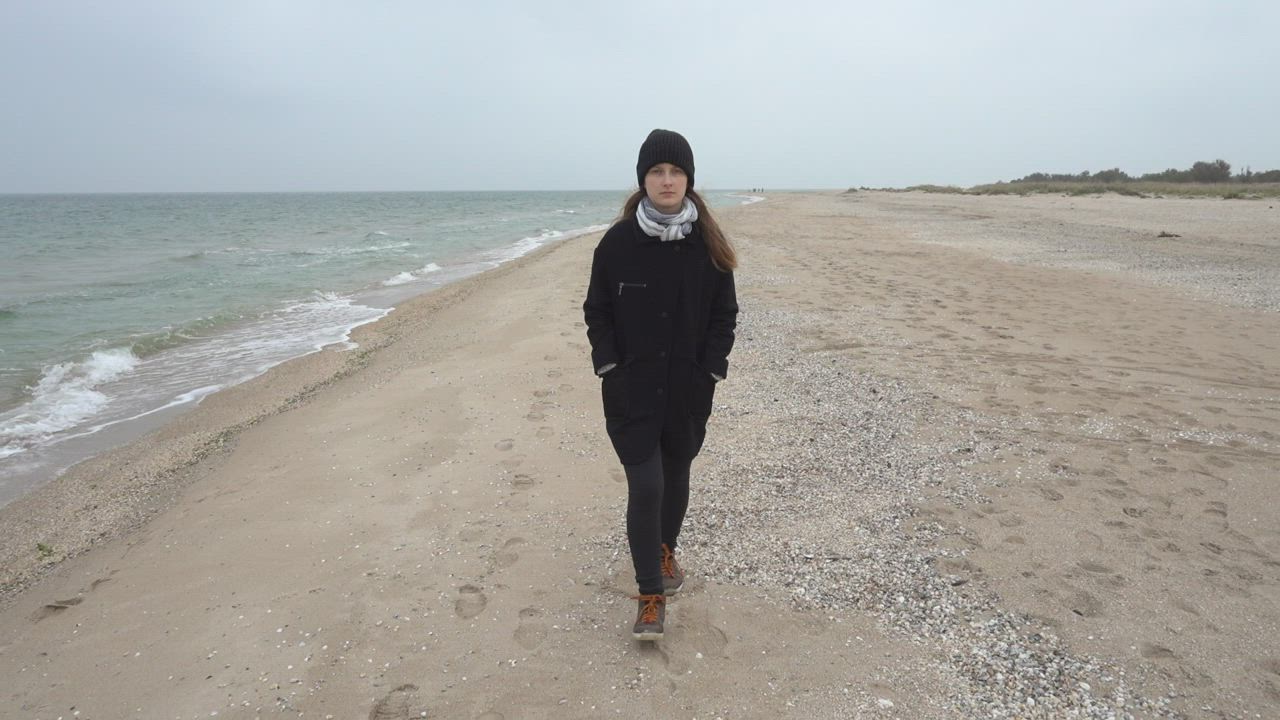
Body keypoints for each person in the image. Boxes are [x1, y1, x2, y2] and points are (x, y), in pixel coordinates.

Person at [582, 129, 739, 641]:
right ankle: (651, 593)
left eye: (675, 171)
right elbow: (598, 311)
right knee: (646, 487)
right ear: (643, 179)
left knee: (675, 480)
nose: (666, 180)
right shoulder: (617, 242)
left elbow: (724, 315)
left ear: (688, 179)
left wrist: (712, 370)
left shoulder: (708, 244)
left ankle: (666, 547)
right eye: (657, 171)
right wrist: (608, 367)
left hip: (688, 390)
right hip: (631, 392)